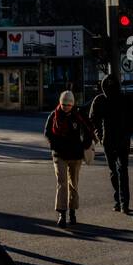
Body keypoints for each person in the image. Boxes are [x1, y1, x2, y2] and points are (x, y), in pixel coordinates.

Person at [89, 75, 133, 214]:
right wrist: (100, 135)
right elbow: (93, 118)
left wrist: (128, 134)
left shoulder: (124, 99)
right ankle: (119, 200)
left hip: (122, 140)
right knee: (114, 172)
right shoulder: (100, 100)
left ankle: (124, 203)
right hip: (109, 141)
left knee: (122, 170)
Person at [44, 89, 93, 228]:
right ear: (60, 103)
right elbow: (47, 133)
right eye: (63, 104)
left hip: (75, 156)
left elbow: (88, 131)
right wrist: (56, 146)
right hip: (59, 155)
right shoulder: (53, 115)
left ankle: (72, 212)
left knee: (74, 185)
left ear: (73, 104)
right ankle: (62, 214)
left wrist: (84, 145)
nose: (65, 107)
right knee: (62, 184)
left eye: (68, 105)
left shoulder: (78, 115)